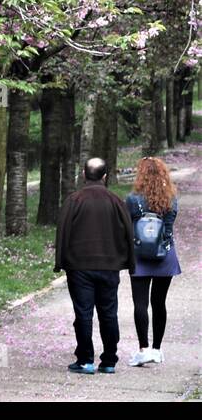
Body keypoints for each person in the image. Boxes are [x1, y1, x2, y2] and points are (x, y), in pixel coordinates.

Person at [54, 157, 136, 374]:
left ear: (84, 174)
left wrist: (60, 261)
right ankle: (109, 360)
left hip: (79, 266)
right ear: (105, 176)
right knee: (109, 313)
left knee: (83, 313)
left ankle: (85, 360)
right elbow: (128, 231)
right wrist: (129, 262)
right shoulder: (116, 201)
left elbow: (62, 231)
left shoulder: (74, 200)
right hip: (110, 266)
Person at [125, 157, 182, 367]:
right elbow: (169, 224)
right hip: (164, 255)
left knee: (140, 304)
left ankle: (143, 349)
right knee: (159, 303)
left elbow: (126, 225)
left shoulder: (132, 199)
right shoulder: (171, 198)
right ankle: (157, 350)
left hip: (139, 256)